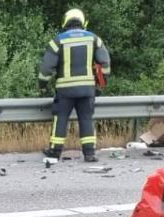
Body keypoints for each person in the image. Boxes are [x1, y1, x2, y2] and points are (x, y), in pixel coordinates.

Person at [39, 8, 111, 163]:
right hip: (87, 89)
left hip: (65, 90)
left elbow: (46, 68)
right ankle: (90, 153)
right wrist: (101, 82)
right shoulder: (94, 39)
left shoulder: (57, 41)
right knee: (86, 118)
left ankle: (55, 152)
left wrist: (42, 85)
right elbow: (105, 64)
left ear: (65, 21)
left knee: (61, 118)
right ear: (83, 21)